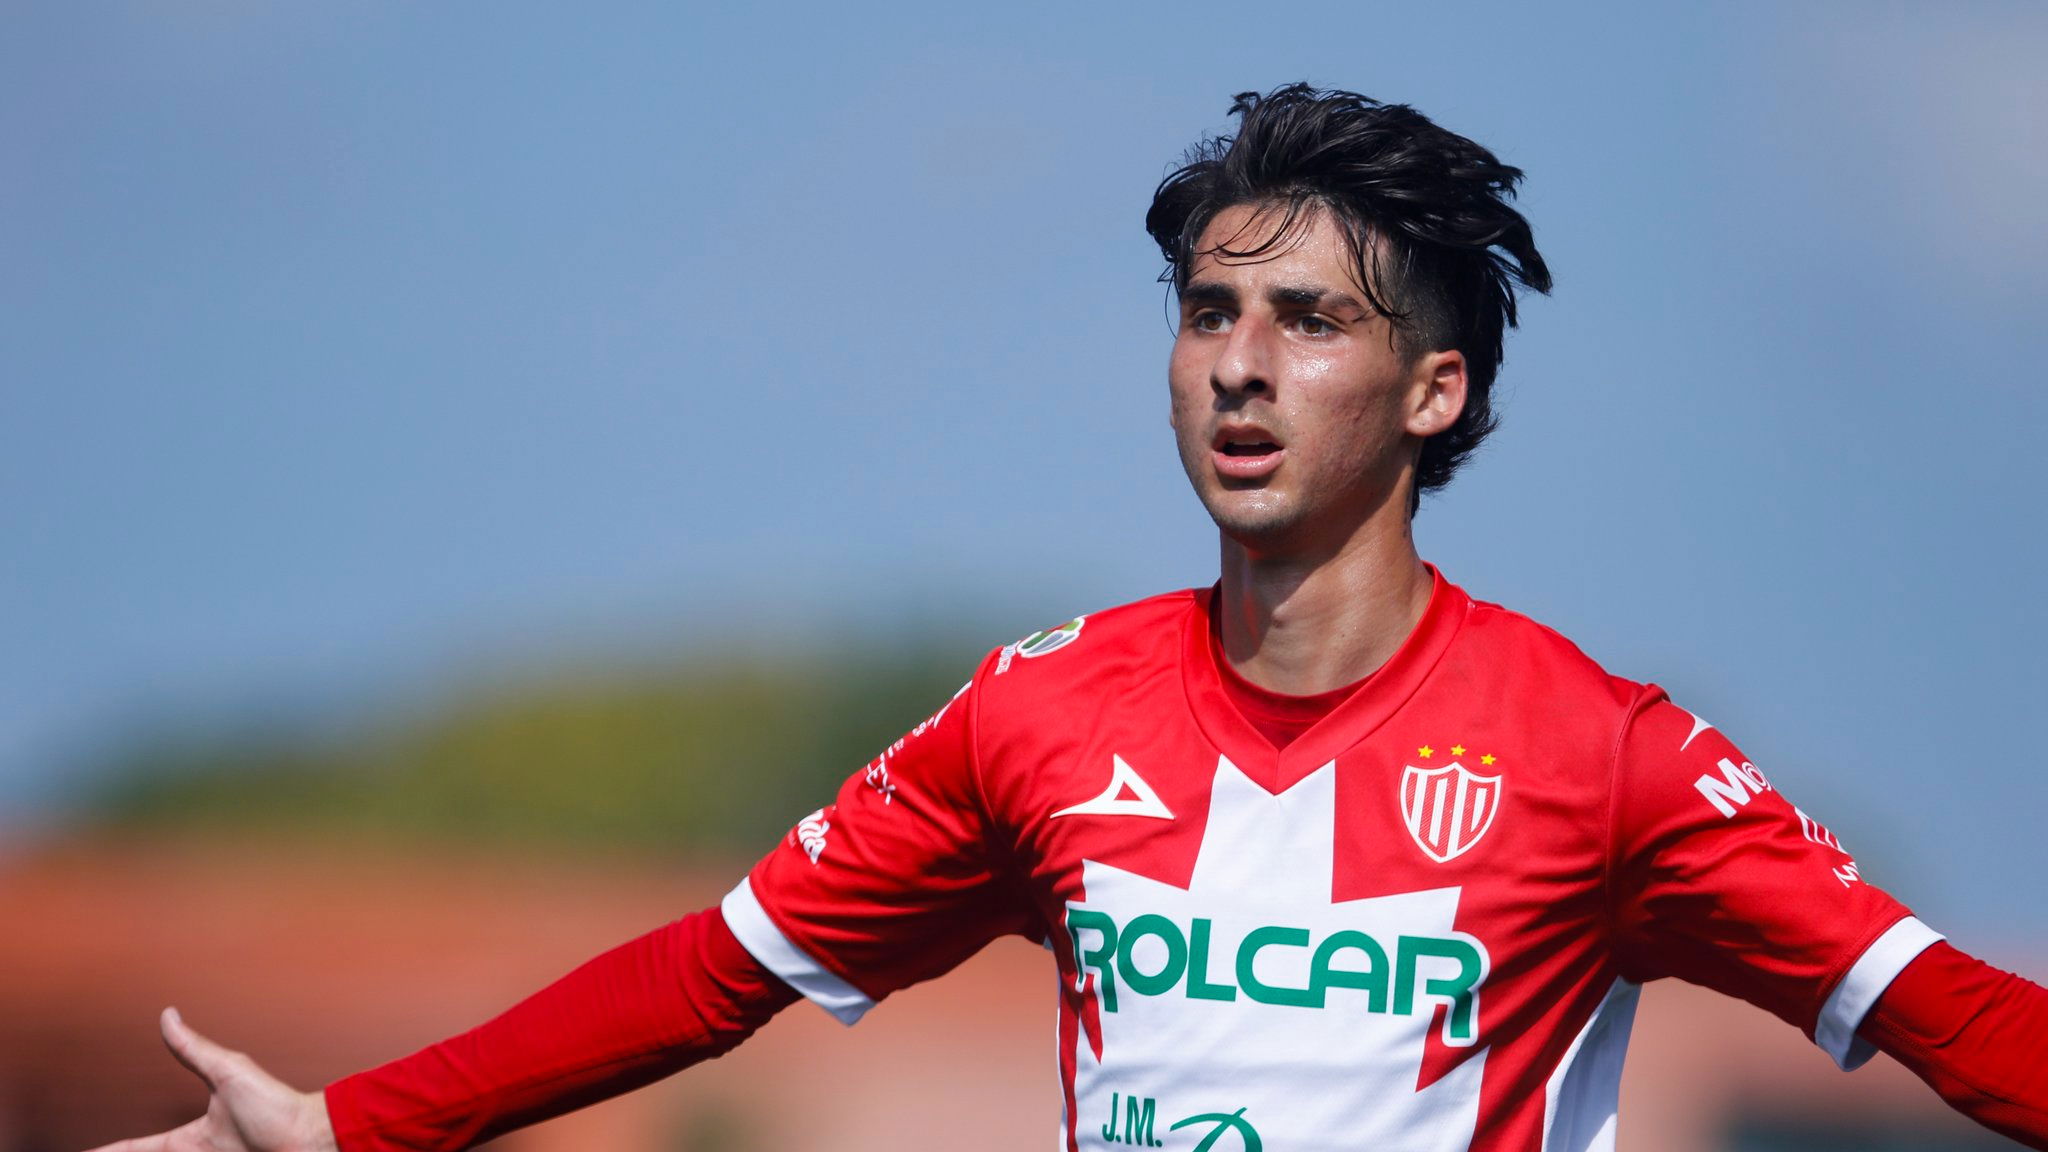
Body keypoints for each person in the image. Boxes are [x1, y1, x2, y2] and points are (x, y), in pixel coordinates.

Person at [91, 84, 2047, 1152]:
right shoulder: (1038, 714)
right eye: (1208, 313)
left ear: (1433, 392)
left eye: (1310, 322)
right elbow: (713, 973)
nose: (1238, 367)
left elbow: (1953, 1020)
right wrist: (346, 1132)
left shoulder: (1598, 752)